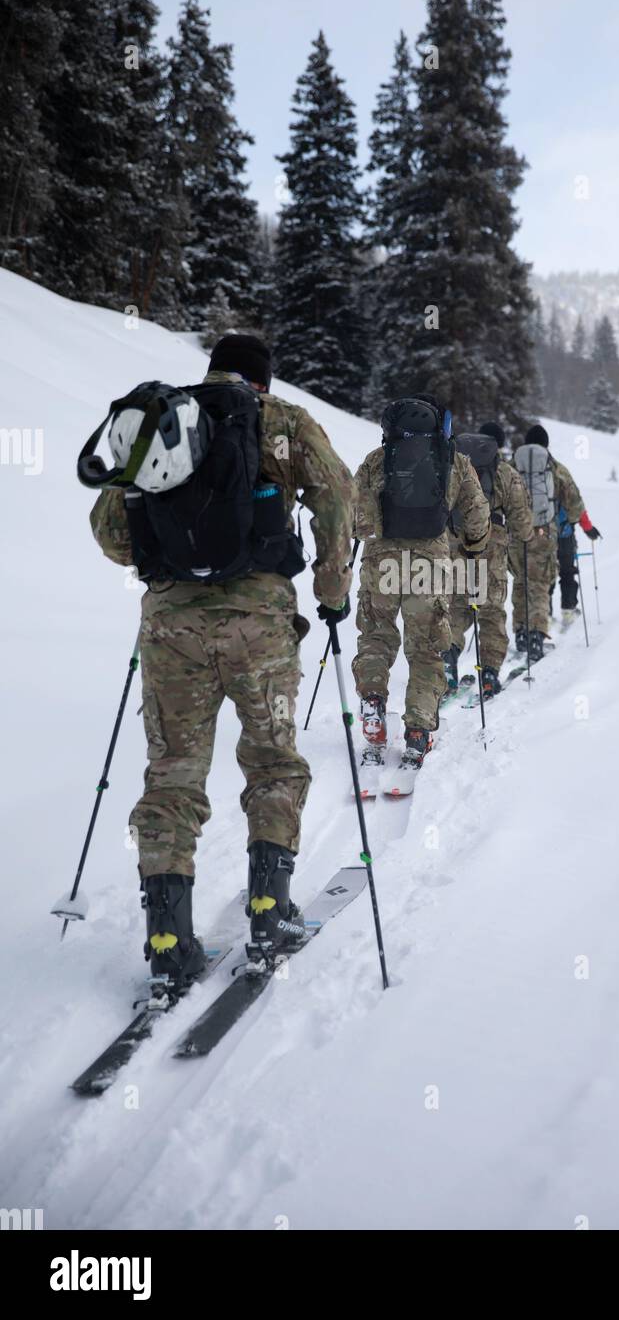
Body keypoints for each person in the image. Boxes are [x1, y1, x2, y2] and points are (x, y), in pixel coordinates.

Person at [86, 333, 354, 989]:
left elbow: (111, 532)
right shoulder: (283, 423)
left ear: (211, 372)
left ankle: (170, 939)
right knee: (272, 761)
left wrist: (168, 559)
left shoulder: (163, 419)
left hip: (171, 627)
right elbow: (339, 500)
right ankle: (270, 909)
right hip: (260, 622)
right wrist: (331, 592)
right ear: (263, 380)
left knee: (173, 776)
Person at [352, 395, 490, 771]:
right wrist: (475, 548)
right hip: (429, 564)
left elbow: (357, 520)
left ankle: (374, 703)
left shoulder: (377, 460)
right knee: (427, 648)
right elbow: (477, 514)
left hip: (381, 562)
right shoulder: (455, 461)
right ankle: (417, 730)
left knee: (376, 636)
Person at [444, 421, 533, 700]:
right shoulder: (505, 472)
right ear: (498, 445)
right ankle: (490, 674)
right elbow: (520, 520)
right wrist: (526, 535)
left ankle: (448, 662)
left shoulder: (455, 465)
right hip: (492, 546)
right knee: (492, 610)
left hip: (455, 542)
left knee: (458, 607)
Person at [508, 424, 601, 659]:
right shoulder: (555, 468)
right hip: (544, 533)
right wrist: (582, 526)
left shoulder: (511, 466)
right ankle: (537, 637)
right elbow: (575, 504)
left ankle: (520, 634)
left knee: (521, 581)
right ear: (546, 445)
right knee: (540, 584)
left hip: (517, 534)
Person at [551, 467, 601, 627]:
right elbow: (576, 505)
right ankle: (568, 610)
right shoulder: (560, 472)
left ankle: (544, 614)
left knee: (543, 575)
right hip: (564, 535)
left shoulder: (523, 468)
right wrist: (589, 529)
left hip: (539, 535)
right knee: (567, 573)